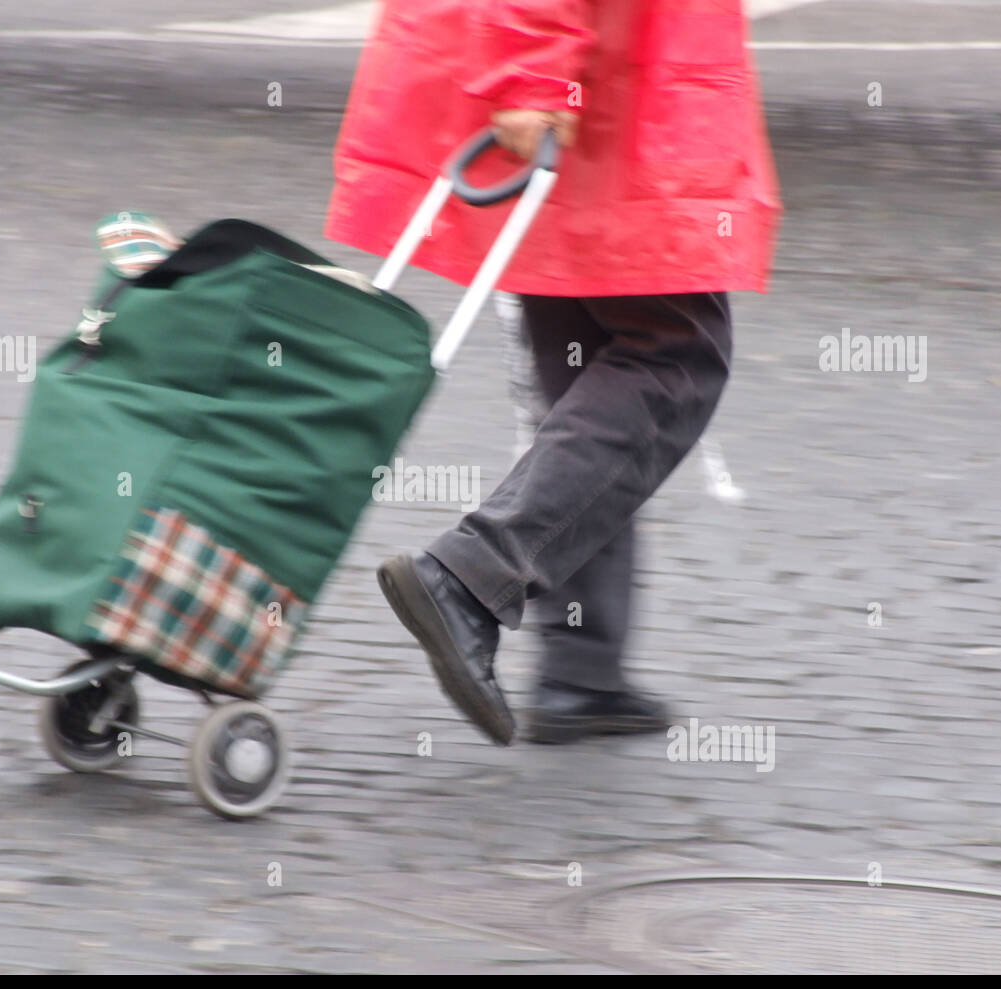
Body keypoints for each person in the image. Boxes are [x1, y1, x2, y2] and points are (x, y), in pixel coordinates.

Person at [325, 0, 780, 745]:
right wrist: (534, 77)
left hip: (595, 77)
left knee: (586, 361)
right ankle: (473, 574)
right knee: (672, 355)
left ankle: (581, 668)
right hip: (600, 87)